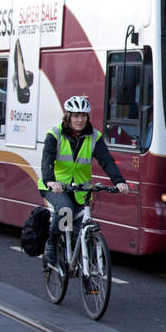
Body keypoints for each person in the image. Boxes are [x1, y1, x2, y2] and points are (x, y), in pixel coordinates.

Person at [38, 95, 129, 274]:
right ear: (68, 117)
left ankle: (88, 269)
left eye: (83, 116)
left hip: (81, 189)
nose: (80, 120)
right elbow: (46, 161)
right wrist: (50, 181)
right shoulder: (54, 135)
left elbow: (107, 161)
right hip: (56, 187)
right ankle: (51, 243)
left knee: (82, 226)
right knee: (65, 210)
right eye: (75, 116)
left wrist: (119, 182)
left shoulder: (94, 137)